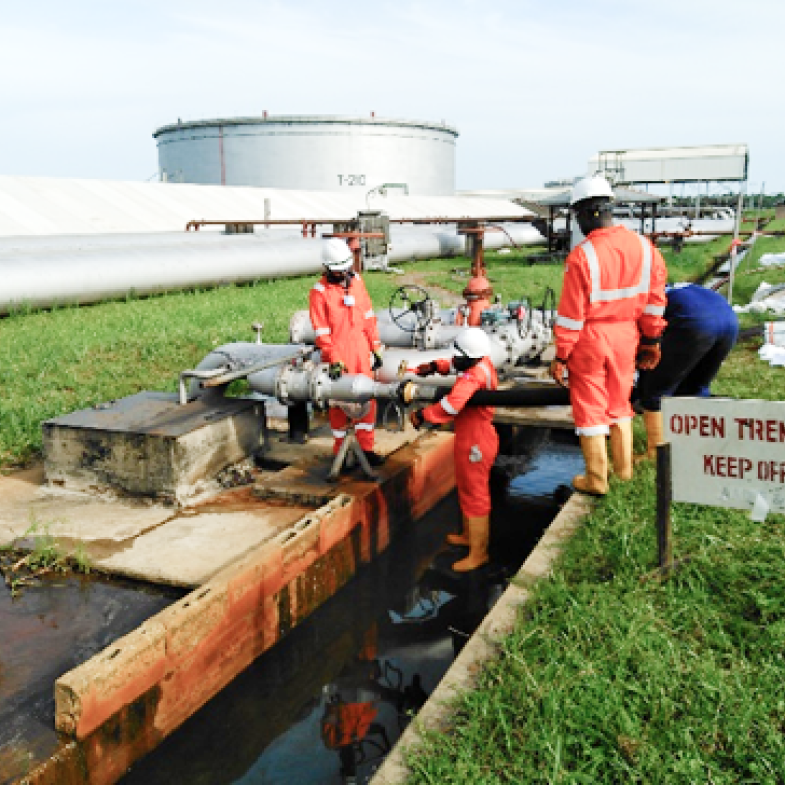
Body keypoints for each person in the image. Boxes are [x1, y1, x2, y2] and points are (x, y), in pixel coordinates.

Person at [549, 175, 668, 495]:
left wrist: (561, 354)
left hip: (590, 338)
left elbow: (572, 315)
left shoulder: (582, 255)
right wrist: (652, 340)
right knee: (619, 404)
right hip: (626, 336)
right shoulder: (646, 249)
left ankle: (596, 480)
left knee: (590, 407)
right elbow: (656, 303)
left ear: (586, 214)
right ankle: (624, 473)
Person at [409, 327, 498, 572]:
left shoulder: (473, 376)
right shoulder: (480, 362)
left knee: (476, 494)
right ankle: (469, 535)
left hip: (476, 439)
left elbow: (451, 405)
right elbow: (459, 364)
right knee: (468, 488)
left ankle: (479, 553)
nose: (454, 360)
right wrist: (436, 366)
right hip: (471, 435)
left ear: (469, 357)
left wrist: (423, 415)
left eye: (458, 356)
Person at [637, 283, 739, 457]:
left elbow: (646, 339)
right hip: (729, 320)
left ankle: (655, 454)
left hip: (694, 322)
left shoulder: (644, 300)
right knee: (696, 387)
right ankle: (699, 445)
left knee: (655, 390)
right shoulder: (675, 289)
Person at [310, 238, 385, 465]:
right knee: (340, 403)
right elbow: (322, 332)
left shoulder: (358, 282)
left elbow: (368, 317)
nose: (343, 275)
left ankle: (366, 449)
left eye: (345, 270)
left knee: (367, 398)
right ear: (327, 268)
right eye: (338, 271)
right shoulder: (320, 292)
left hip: (362, 351)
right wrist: (333, 359)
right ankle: (341, 452)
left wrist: (376, 346)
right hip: (338, 356)